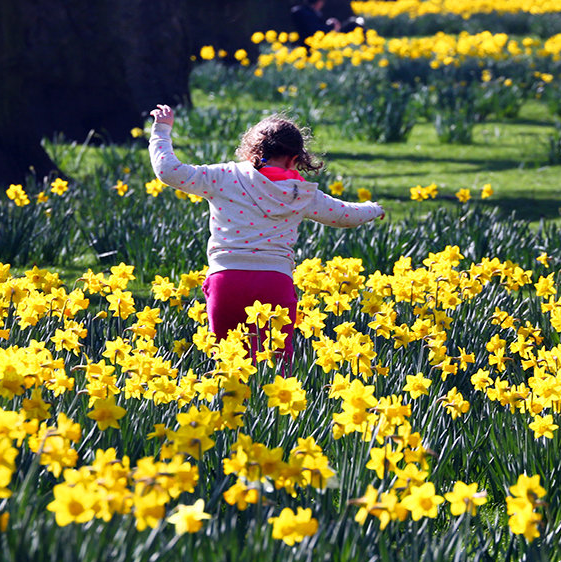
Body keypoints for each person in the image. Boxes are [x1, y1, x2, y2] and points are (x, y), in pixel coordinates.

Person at [148, 104, 384, 368]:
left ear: (252, 151)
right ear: (295, 159)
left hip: (227, 280)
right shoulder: (300, 193)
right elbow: (344, 215)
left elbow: (168, 171)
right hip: (274, 282)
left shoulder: (224, 176)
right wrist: (373, 209)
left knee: (228, 362)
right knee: (276, 365)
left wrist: (162, 130)